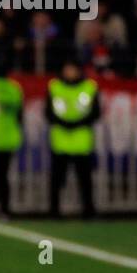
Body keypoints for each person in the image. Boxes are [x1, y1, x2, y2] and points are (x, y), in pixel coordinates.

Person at [47, 60, 101, 218]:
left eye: (72, 69)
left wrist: (76, 124)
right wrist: (64, 123)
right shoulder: (55, 86)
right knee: (57, 179)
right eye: (67, 69)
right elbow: (48, 112)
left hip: (81, 141)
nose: (70, 73)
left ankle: (89, 211)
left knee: (85, 180)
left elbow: (95, 113)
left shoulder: (89, 87)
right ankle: (54, 211)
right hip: (60, 140)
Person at [0, 62, 24, 219]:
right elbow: (20, 115)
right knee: (3, 176)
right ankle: (4, 210)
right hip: (9, 138)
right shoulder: (14, 89)